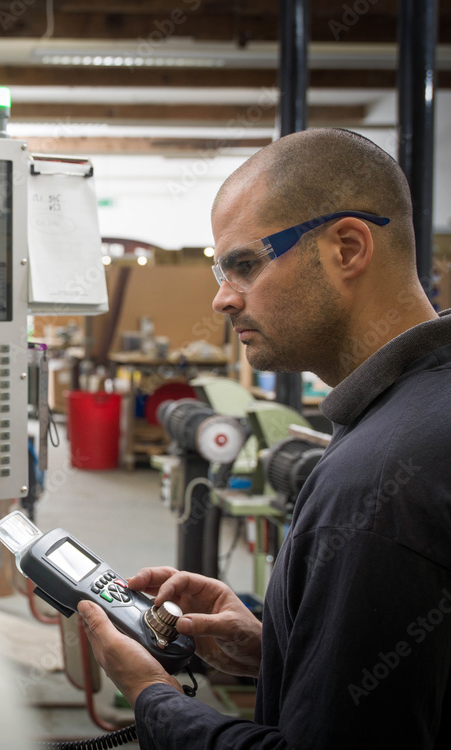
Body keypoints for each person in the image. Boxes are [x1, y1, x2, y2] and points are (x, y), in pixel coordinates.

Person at [78, 128, 451, 748]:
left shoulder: (376, 484)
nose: (223, 299)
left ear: (348, 247)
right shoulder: (422, 411)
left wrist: (154, 698)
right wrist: (278, 644)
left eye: (245, 264)